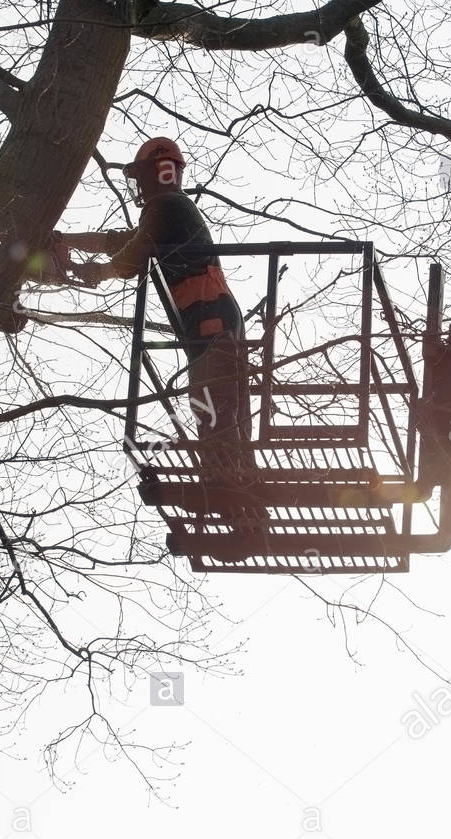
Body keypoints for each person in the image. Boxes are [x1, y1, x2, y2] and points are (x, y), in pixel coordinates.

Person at [51, 138, 266, 549]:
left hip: (209, 316)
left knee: (215, 411)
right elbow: (123, 240)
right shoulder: (171, 210)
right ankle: (233, 504)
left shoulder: (165, 206)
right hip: (215, 315)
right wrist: (68, 241)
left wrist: (103, 273)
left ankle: (236, 506)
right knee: (222, 412)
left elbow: (131, 257)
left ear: (150, 174)